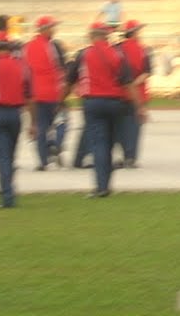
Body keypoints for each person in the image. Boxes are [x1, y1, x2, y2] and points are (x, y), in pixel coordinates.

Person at [65, 21, 140, 197]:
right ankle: (107, 185)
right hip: (115, 103)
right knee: (110, 144)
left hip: (93, 102)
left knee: (98, 144)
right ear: (107, 36)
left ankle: (101, 187)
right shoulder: (118, 54)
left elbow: (69, 80)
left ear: (92, 35)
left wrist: (61, 100)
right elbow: (128, 83)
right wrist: (139, 107)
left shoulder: (83, 54)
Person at [0, 32, 29, 207]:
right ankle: (9, 189)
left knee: (1, 156)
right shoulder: (22, 67)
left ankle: (7, 196)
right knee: (10, 155)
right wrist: (33, 120)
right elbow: (29, 95)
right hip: (16, 113)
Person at [23, 16, 68, 170]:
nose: (54, 30)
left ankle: (42, 162)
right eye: (51, 27)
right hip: (53, 92)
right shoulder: (52, 47)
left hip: (35, 94)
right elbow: (59, 69)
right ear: (44, 29)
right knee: (62, 122)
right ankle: (56, 144)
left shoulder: (27, 47)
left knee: (41, 127)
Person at [118, 19, 152, 167]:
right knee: (135, 127)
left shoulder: (118, 49)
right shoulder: (143, 50)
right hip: (138, 93)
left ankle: (125, 154)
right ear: (134, 33)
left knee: (122, 127)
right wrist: (135, 83)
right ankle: (131, 157)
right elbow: (146, 72)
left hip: (121, 93)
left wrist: (127, 84)